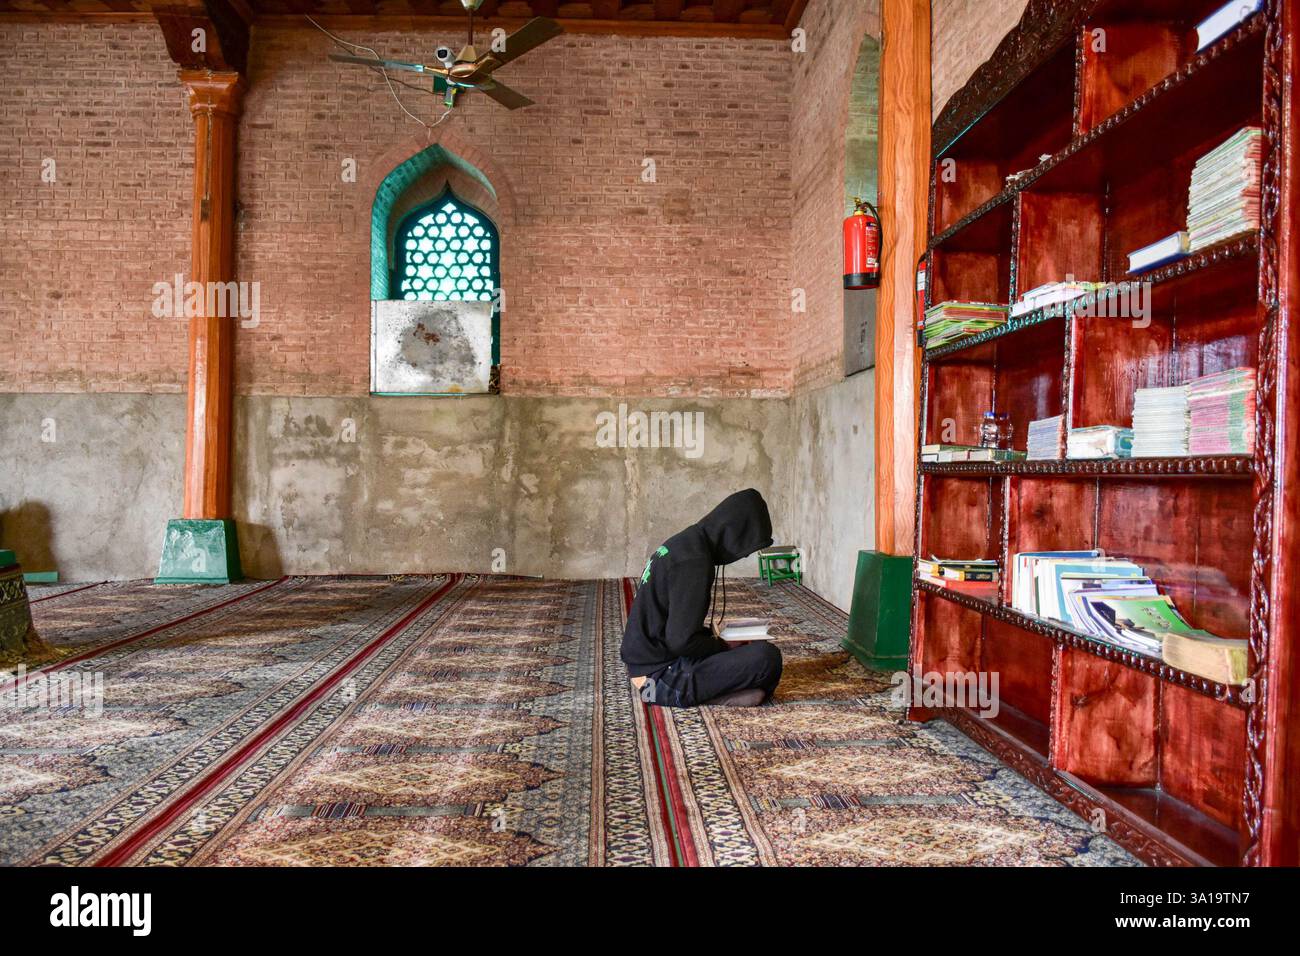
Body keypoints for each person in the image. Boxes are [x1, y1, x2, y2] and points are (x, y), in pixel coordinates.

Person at [621, 488, 783, 708]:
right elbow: (681, 642)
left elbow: (676, 631)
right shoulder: (694, 562)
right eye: (747, 547)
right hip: (658, 680)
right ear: (735, 532)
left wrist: (719, 643)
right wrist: (724, 646)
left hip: (645, 669)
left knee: (749, 651)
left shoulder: (685, 543)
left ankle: (713, 690)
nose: (743, 554)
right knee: (766, 658)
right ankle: (706, 696)